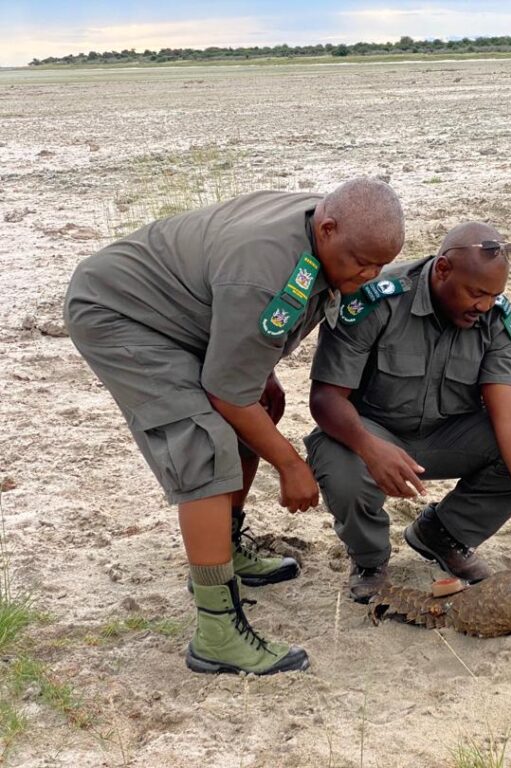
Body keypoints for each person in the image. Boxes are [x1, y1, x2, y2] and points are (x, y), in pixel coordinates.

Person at [64, 178, 404, 675]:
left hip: (181, 313)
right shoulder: (266, 270)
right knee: (203, 444)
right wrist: (291, 465)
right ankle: (217, 632)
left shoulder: (326, 230)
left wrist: (259, 370)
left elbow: (242, 332)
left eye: (381, 265)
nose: (370, 275)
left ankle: (224, 547)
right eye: (362, 262)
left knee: (257, 411)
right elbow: (227, 391)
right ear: (328, 228)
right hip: (120, 314)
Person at [304, 221, 511, 604]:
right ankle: (369, 560)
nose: (485, 306)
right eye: (476, 293)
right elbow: (325, 399)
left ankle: (445, 534)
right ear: (443, 269)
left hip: (449, 438)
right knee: (337, 460)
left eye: (494, 295)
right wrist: (369, 447)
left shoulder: (494, 318)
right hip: (371, 435)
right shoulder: (376, 298)